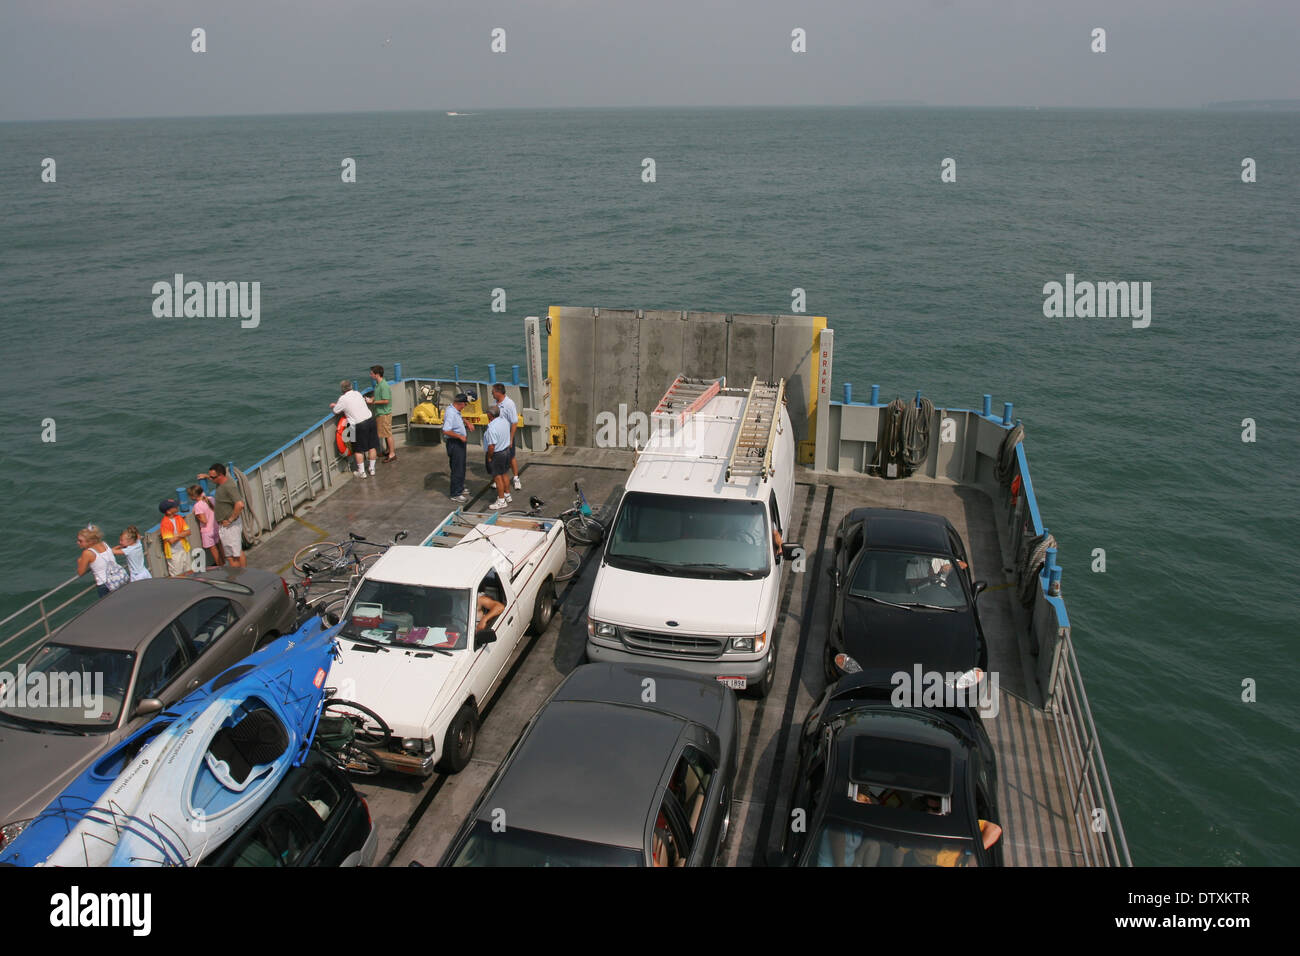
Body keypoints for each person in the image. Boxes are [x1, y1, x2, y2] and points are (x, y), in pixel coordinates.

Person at [201, 463, 247, 568]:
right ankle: (244, 575)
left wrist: (230, 520)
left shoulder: (228, 486)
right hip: (226, 526)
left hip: (230, 526)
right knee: (237, 551)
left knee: (232, 556)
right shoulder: (221, 483)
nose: (211, 479)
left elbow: (240, 504)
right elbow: (215, 478)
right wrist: (207, 477)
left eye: (213, 477)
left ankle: (239, 578)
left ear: (221, 475)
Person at [332, 379, 379, 478]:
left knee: (358, 449)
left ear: (342, 390)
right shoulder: (358, 393)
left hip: (356, 425)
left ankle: (362, 472)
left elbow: (336, 411)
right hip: (370, 420)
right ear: (351, 387)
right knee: (372, 446)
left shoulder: (342, 399)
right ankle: (372, 469)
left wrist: (334, 405)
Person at [76, 525, 128, 597]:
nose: (78, 542)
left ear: (90, 541)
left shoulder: (87, 553)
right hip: (118, 579)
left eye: (80, 541)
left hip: (105, 585)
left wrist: (79, 561)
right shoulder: (104, 544)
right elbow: (106, 554)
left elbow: (80, 572)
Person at [483, 405, 514, 510]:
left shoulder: (491, 428)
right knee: (504, 473)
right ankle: (507, 495)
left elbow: (491, 446)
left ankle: (501, 501)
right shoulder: (504, 421)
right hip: (506, 451)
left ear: (490, 415)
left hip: (498, 454)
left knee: (497, 477)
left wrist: (490, 457)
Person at [491, 383, 521, 490]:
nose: (492, 393)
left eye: (493, 391)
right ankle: (498, 478)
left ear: (498, 392)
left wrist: (511, 439)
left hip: (507, 435)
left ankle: (516, 478)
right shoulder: (494, 403)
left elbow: (514, 422)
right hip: (497, 436)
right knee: (497, 457)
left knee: (511, 457)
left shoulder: (509, 404)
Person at [442, 392, 471, 502]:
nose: (465, 407)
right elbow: (446, 430)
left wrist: (466, 422)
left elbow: (458, 417)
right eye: (465, 404)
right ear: (461, 404)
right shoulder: (451, 413)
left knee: (461, 466)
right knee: (457, 468)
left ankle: (460, 487)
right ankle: (455, 493)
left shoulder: (455, 411)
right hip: (455, 443)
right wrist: (459, 436)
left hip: (459, 443)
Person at [187, 483, 223, 567]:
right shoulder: (211, 499)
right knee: (220, 546)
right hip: (216, 527)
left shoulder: (197, 506)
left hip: (207, 531)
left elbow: (204, 520)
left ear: (193, 496)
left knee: (214, 550)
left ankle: (221, 567)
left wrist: (196, 515)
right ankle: (225, 563)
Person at [366, 365, 396, 462]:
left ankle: (392, 454)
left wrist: (373, 402)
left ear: (377, 374)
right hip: (380, 413)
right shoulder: (379, 384)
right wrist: (372, 398)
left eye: (372, 374)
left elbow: (386, 400)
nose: (370, 375)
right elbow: (377, 395)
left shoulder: (383, 386)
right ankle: (388, 450)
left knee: (388, 434)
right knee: (386, 433)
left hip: (384, 414)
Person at [158, 498, 193, 577]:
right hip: (174, 554)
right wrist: (182, 534)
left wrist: (177, 535)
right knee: (177, 575)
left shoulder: (179, 517)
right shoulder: (164, 523)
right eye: (174, 506)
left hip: (185, 549)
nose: (177, 506)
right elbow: (171, 541)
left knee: (190, 572)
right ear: (168, 511)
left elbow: (188, 532)